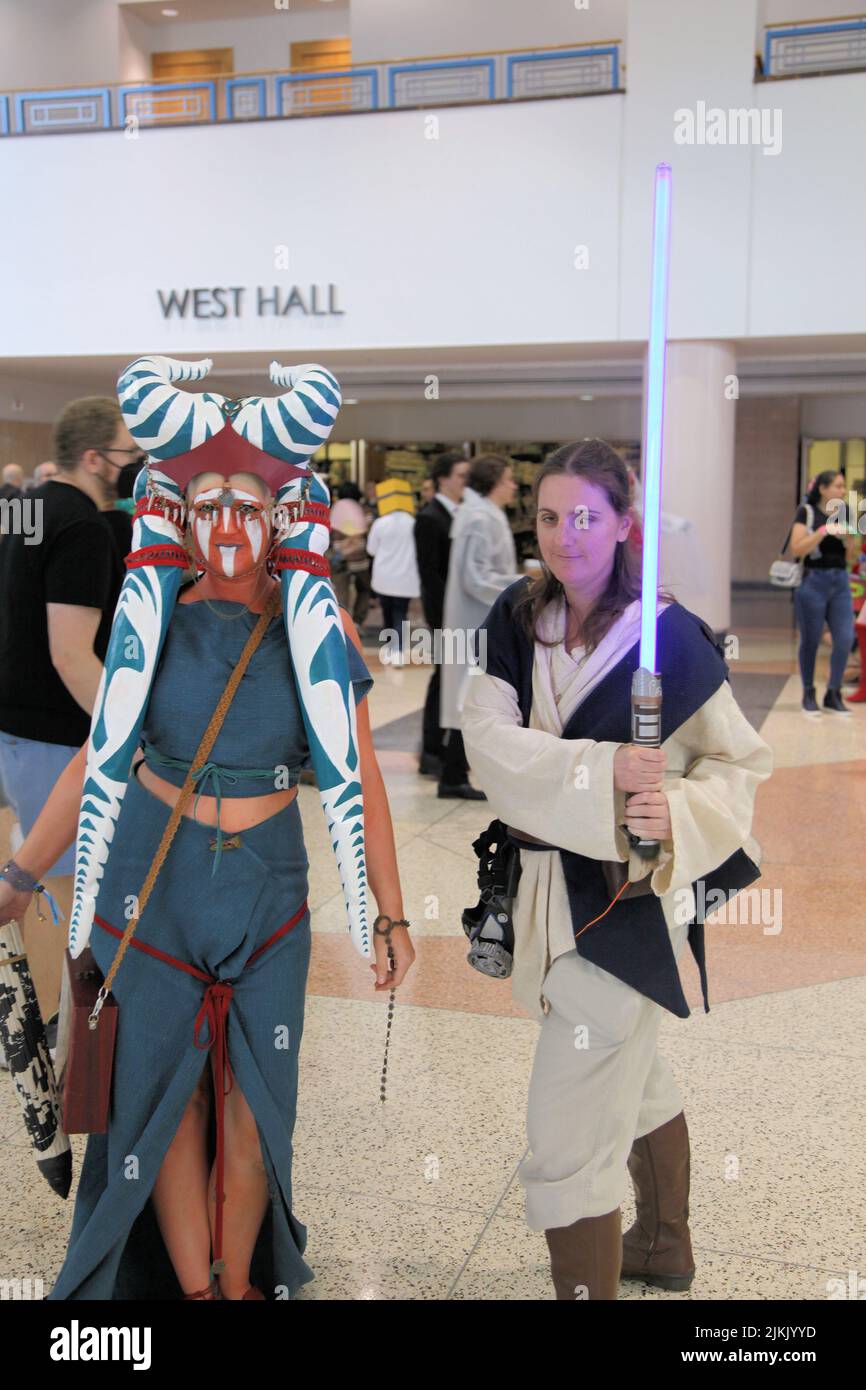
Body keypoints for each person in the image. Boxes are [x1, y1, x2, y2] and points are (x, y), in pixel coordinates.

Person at [0, 355, 414, 1301]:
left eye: (248, 504)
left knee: (258, 1108)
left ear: (280, 510)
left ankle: (241, 1284)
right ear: (181, 512)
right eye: (209, 503)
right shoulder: (151, 627)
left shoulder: (320, 635)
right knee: (166, 1103)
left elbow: (363, 783)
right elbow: (94, 760)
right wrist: (21, 877)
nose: (229, 526)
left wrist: (389, 915)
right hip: (151, 883)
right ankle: (194, 1291)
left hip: (267, 890)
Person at [461, 439, 772, 1300]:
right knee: (632, 1077)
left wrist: (674, 810)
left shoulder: (671, 637)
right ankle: (665, 1245)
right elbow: (486, 746)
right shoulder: (515, 620)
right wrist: (600, 772)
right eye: (551, 517)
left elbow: (738, 766)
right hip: (541, 891)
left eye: (588, 517)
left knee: (564, 1130)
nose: (565, 537)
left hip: (627, 905)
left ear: (627, 523)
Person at [0, 399, 131, 1021]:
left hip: (15, 728)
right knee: (55, 890)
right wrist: (123, 733)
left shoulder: (21, 507)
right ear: (94, 457)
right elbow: (72, 654)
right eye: (129, 454)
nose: (135, 466)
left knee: (33, 877)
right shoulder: (81, 527)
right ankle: (44, 1030)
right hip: (54, 734)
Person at [440, 453, 520, 799]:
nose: (515, 485)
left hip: (482, 619)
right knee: (468, 697)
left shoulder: (485, 514)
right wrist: (519, 584)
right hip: (476, 620)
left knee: (472, 695)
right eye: (509, 479)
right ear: (493, 482)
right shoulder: (478, 518)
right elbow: (475, 578)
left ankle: (456, 772)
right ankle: (452, 774)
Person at [414, 450, 469, 778]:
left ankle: (439, 750)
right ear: (444, 479)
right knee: (443, 683)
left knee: (448, 683)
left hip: (457, 614)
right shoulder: (430, 518)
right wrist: (443, 620)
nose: (466, 482)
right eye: (462, 475)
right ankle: (432, 752)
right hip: (446, 617)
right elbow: (431, 577)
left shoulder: (458, 514)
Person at [788, 471, 855, 717]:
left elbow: (850, 557)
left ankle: (833, 692)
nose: (842, 490)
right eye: (838, 486)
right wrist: (823, 531)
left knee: (845, 638)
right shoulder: (806, 512)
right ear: (824, 489)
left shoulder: (844, 511)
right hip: (812, 581)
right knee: (811, 639)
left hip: (840, 581)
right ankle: (808, 692)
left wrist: (849, 540)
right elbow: (797, 548)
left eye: (844, 486)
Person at [365, 479, 421, 663]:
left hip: (383, 577)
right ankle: (398, 651)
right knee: (401, 613)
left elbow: (371, 550)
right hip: (406, 578)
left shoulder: (380, 523)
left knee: (387, 613)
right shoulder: (414, 523)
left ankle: (389, 648)